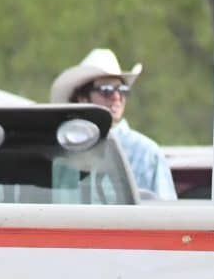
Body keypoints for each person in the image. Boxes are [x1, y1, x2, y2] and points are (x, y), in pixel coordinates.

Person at [51, 48, 175, 201]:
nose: (117, 97)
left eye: (122, 90)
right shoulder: (62, 156)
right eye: (107, 90)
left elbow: (165, 216)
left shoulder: (147, 153)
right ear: (83, 98)